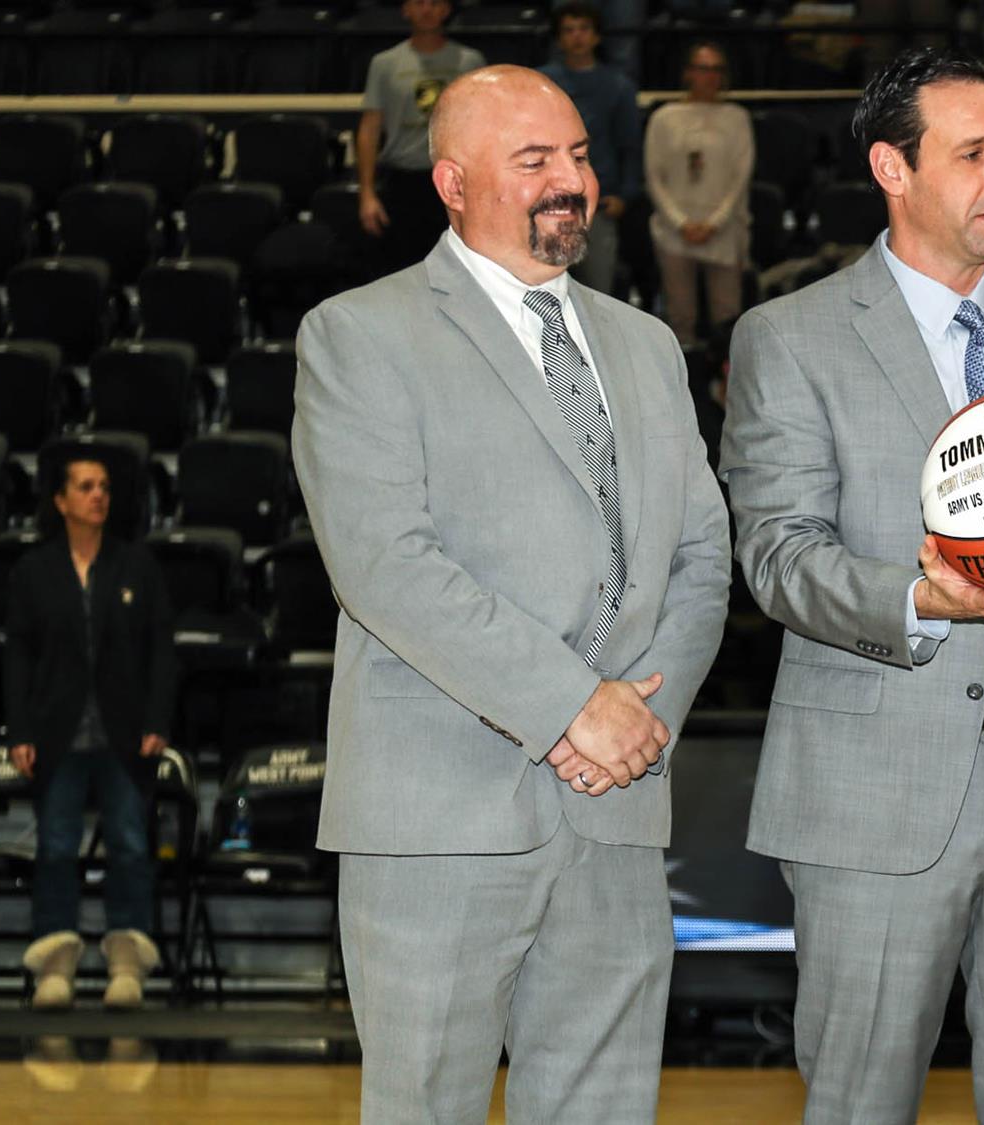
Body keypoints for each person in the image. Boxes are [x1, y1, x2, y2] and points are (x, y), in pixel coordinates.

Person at [293, 65, 731, 1123]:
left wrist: (636, 725)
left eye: (577, 155)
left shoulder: (646, 344)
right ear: (452, 183)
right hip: (438, 813)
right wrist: (574, 707)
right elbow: (385, 566)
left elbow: (702, 559)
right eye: (533, 160)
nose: (568, 181)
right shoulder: (358, 334)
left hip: (617, 808)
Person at [719, 47, 984, 1124]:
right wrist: (920, 599)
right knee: (862, 1099)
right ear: (891, 170)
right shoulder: (790, 336)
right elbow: (777, 554)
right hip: (877, 778)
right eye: (974, 154)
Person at [5, 458, 176, 1012]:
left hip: (124, 733)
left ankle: (127, 965)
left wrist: (157, 721)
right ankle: (56, 966)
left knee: (129, 845)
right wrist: (20, 729)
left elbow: (161, 651)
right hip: (57, 732)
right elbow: (18, 657)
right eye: (85, 487)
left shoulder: (136, 565)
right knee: (56, 848)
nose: (98, 495)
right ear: (61, 501)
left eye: (104, 486)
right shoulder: (34, 570)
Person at [357, 0, 486, 275]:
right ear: (406, 9)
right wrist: (366, 192)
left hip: (455, 181)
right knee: (402, 272)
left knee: (457, 271)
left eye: (435, 3)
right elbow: (370, 129)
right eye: (419, 3)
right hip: (401, 182)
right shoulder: (384, 63)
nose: (427, 10)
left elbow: (483, 125)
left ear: (446, 10)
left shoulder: (470, 61)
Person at [644, 41, 753, 348]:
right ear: (688, 73)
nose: (710, 76)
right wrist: (681, 223)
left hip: (724, 229)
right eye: (703, 69)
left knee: (727, 316)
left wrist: (715, 223)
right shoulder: (664, 117)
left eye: (717, 69)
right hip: (675, 231)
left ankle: (725, 374)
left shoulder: (737, 117)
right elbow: (654, 176)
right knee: (680, 316)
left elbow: (741, 177)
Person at [540, 2, 644, 298]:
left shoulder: (619, 86)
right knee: (544, 288)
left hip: (598, 203)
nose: (577, 36)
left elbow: (630, 145)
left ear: (597, 36)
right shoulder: (540, 83)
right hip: (545, 201)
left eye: (584, 29)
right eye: (569, 30)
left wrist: (625, 195)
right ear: (559, 39)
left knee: (598, 292)